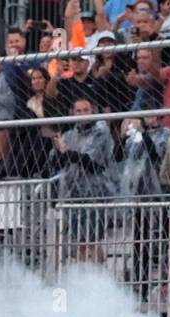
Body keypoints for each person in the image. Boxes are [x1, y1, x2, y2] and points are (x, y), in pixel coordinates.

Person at [51, 98, 116, 260]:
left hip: (95, 192)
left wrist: (67, 153)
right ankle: (81, 277)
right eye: (78, 111)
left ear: (92, 111)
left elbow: (93, 162)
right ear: (72, 113)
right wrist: (59, 152)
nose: (82, 114)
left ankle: (98, 277)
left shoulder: (102, 133)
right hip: (72, 193)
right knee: (79, 242)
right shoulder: (69, 135)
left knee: (93, 241)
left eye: (86, 110)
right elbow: (57, 163)